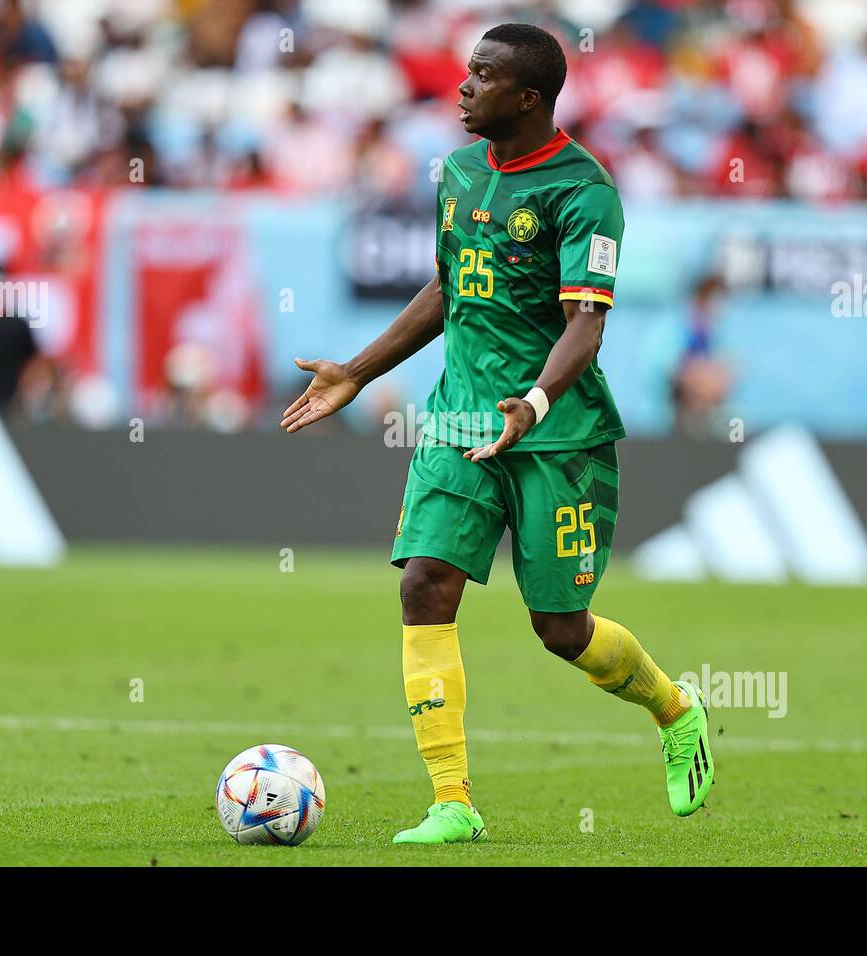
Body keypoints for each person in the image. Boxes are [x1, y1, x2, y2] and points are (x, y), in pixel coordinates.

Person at [281, 23, 713, 846]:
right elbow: (450, 287)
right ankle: (454, 802)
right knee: (424, 585)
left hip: (556, 434)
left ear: (529, 97)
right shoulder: (458, 170)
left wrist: (535, 404)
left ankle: (675, 707)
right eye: (466, 70)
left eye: (483, 75)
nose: (463, 86)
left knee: (560, 630)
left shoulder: (585, 190)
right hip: (457, 417)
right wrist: (359, 371)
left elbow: (585, 325)